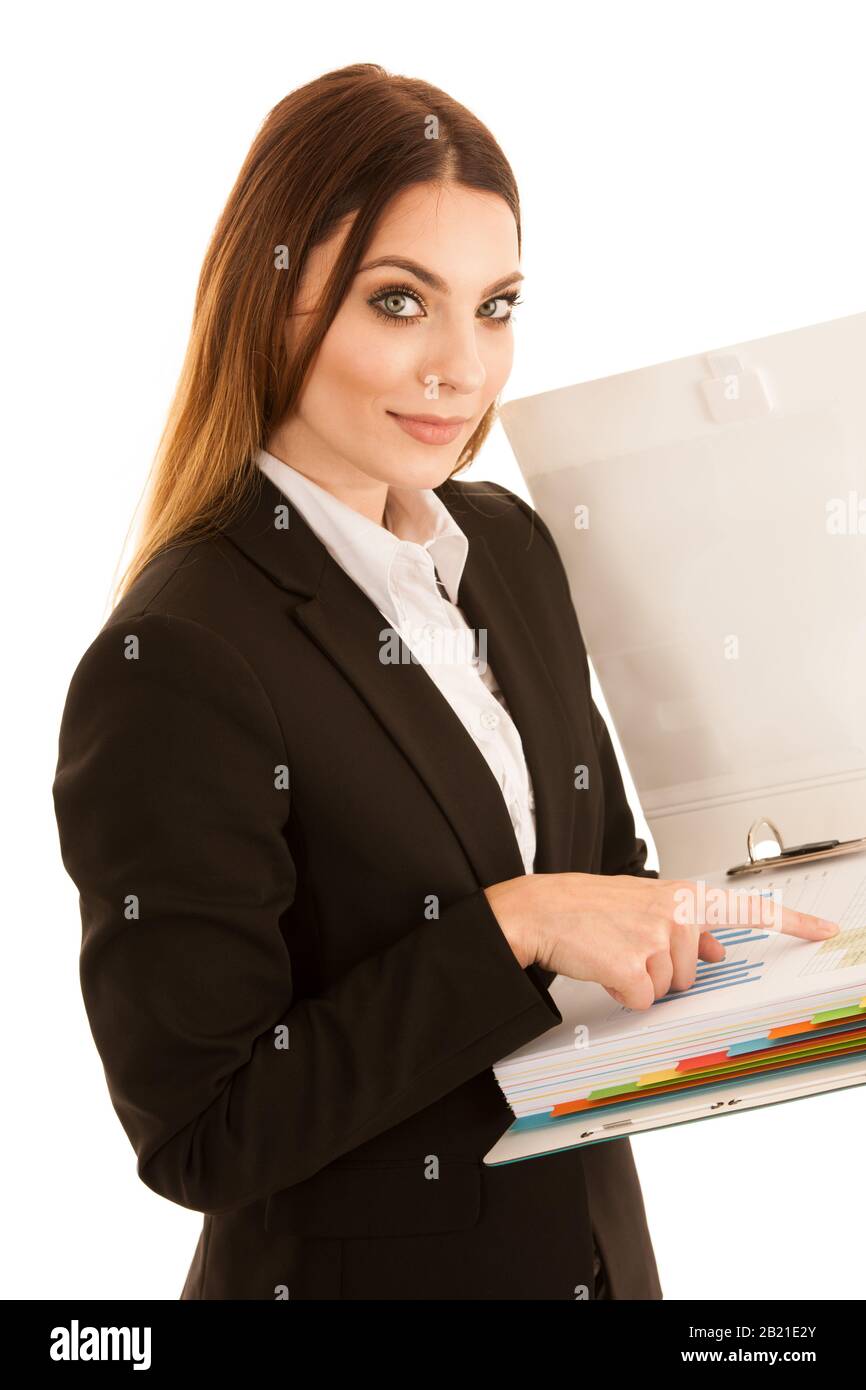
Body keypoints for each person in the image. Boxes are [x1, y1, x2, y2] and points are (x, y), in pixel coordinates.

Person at [52, 62, 835, 1301]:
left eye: (497, 304)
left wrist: (795, 950)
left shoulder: (507, 548)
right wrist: (510, 925)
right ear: (270, 299)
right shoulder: (180, 656)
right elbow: (202, 1128)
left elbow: (606, 889)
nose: (462, 369)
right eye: (400, 302)